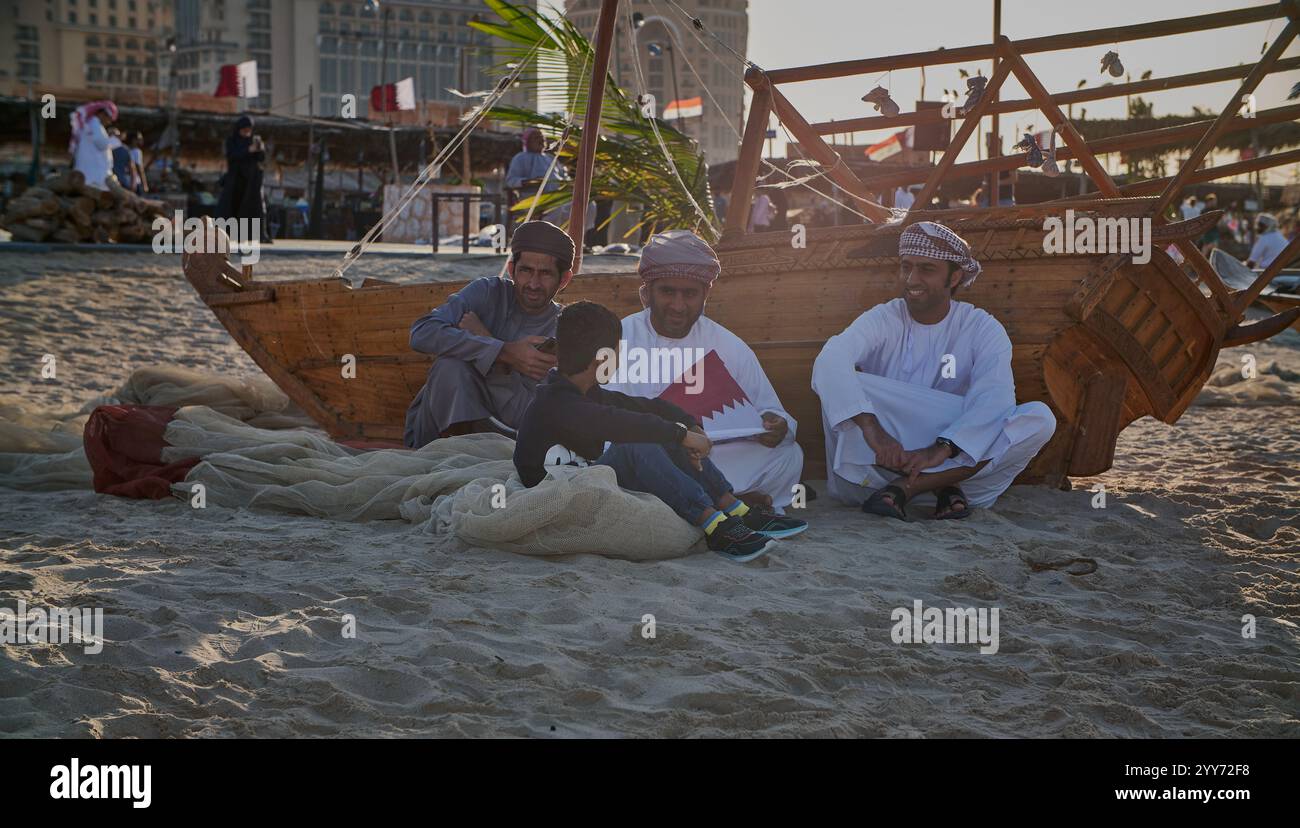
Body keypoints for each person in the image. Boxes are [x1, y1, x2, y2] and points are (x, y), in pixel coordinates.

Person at [514, 301, 805, 562]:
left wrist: (687, 423)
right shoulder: (555, 402)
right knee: (638, 443)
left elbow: (648, 408)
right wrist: (682, 435)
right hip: (555, 492)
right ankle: (715, 526)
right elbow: (621, 423)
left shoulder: (587, 392)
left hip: (586, 479)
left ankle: (737, 511)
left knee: (661, 434)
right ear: (602, 359)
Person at [812, 221, 1057, 520]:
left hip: (966, 478)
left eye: (927, 269)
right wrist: (873, 431)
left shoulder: (982, 327)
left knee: (1038, 418)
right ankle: (940, 486)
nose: (912, 279)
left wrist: (942, 449)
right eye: (906, 267)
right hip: (870, 474)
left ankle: (914, 487)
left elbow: (995, 398)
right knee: (841, 373)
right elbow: (831, 359)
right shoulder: (885, 317)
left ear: (955, 278)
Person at [605, 230, 805, 512]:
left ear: (706, 293)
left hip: (710, 457)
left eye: (689, 294)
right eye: (667, 292)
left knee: (789, 455)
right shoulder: (618, 337)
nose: (677, 306)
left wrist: (777, 426)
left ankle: (707, 500)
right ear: (648, 290)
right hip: (646, 455)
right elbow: (595, 418)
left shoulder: (728, 345)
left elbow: (775, 413)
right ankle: (728, 501)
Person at [404, 220, 574, 447]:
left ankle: (471, 455)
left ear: (564, 279)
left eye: (545, 274)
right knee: (450, 366)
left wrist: (489, 344)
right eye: (526, 271)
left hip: (508, 440)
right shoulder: (487, 293)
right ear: (512, 270)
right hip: (438, 435)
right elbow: (423, 333)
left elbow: (526, 414)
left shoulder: (563, 330)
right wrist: (503, 352)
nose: (533, 283)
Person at [216, 115, 269, 244]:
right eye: (244, 130)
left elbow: (261, 158)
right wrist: (247, 150)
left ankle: (257, 234)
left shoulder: (254, 140)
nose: (247, 133)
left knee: (255, 208)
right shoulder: (232, 141)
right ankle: (227, 234)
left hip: (251, 181)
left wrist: (260, 149)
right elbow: (233, 156)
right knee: (231, 208)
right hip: (235, 180)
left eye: (249, 130)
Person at [69, 100, 119, 191]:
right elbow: (101, 144)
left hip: (88, 175)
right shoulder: (94, 124)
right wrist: (116, 139)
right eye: (109, 119)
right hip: (93, 177)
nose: (109, 123)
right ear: (103, 114)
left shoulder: (91, 124)